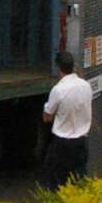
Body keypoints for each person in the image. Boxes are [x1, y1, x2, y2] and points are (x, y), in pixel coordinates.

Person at [38, 49, 93, 191]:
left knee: (56, 182)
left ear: (58, 68)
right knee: (78, 181)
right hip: (81, 141)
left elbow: (47, 117)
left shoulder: (58, 90)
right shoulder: (86, 86)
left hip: (62, 143)